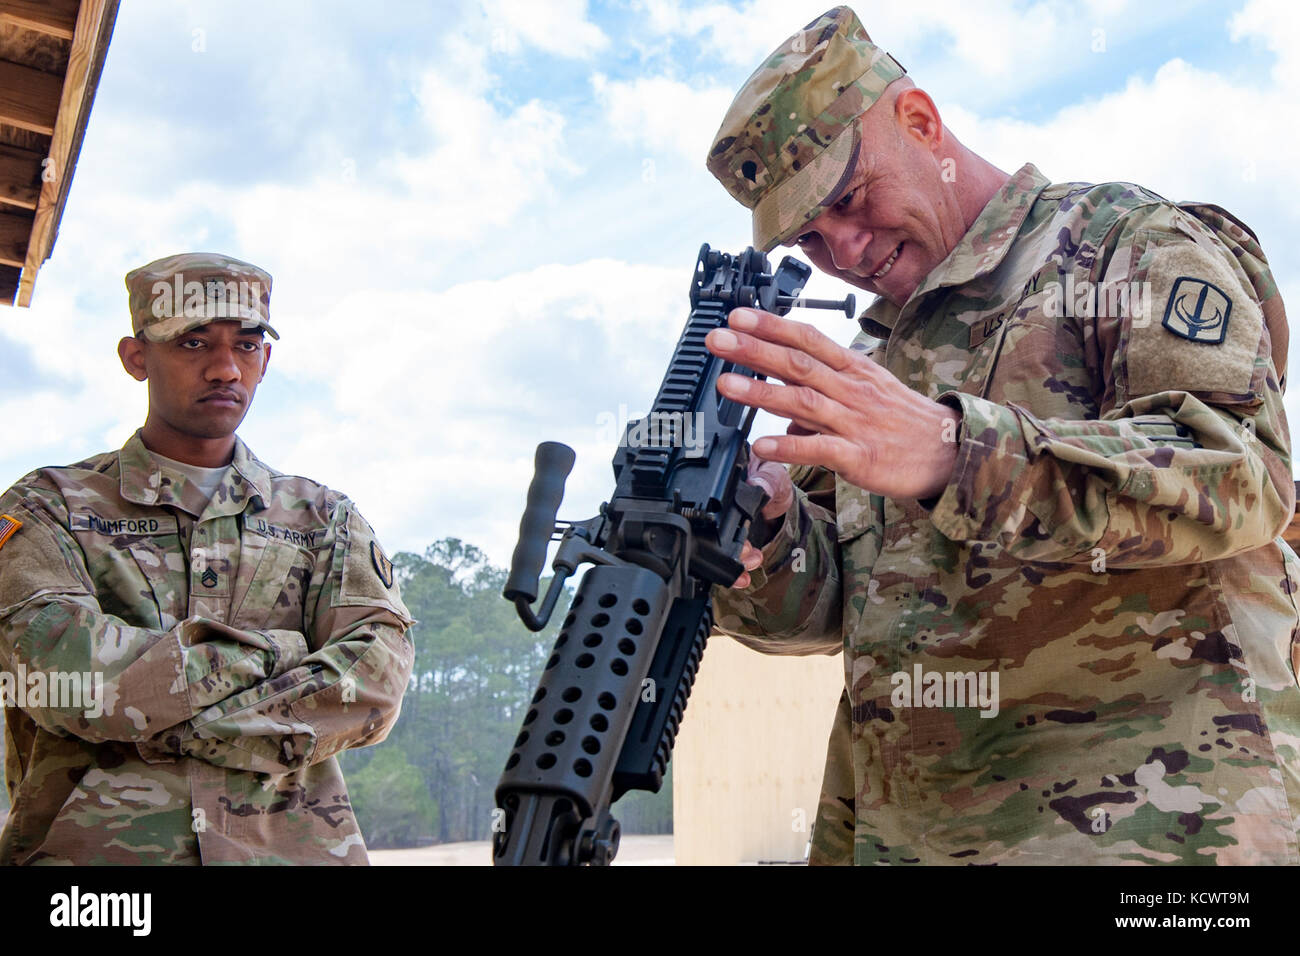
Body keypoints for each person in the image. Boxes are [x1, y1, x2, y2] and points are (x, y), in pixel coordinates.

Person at [704, 6, 1299, 865]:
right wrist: (761, 532)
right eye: (809, 235)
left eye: (848, 198)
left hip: (1154, 842)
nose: (845, 248)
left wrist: (957, 453)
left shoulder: (1119, 247)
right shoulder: (874, 364)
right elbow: (841, 605)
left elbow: (1245, 476)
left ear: (920, 120)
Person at [0, 253, 415, 864]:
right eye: (193, 342)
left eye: (247, 346)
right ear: (135, 356)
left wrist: (157, 709)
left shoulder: (325, 519)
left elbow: (374, 683)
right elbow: (64, 676)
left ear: (266, 360)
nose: (225, 368)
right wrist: (287, 657)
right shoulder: (47, 507)